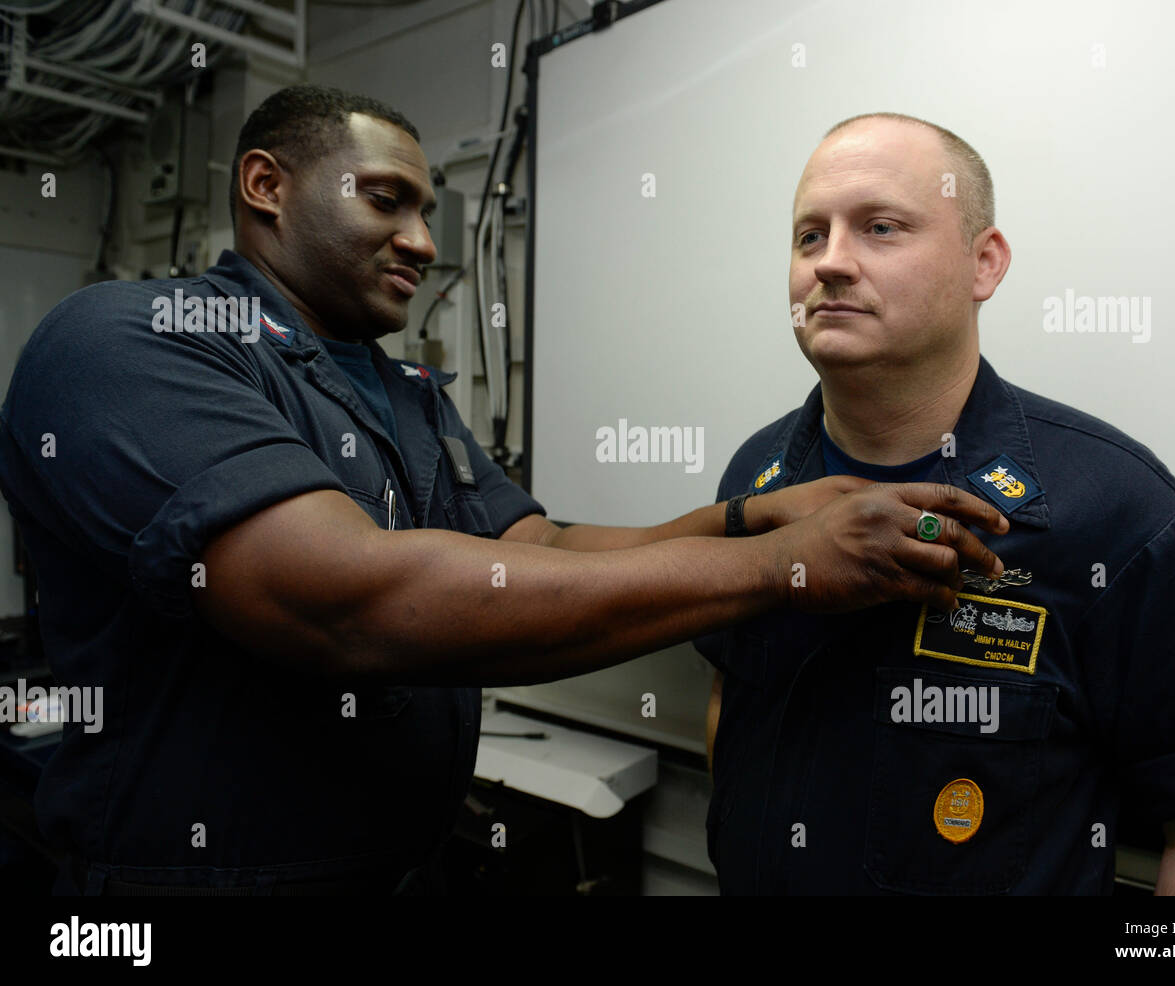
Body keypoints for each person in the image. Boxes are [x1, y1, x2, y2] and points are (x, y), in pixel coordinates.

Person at [0, 87, 1009, 895]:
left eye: (428, 210)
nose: (425, 243)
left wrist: (750, 515)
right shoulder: (134, 341)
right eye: (385, 199)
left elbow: (543, 547)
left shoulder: (399, 390)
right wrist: (785, 564)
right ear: (267, 185)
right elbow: (346, 598)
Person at [699, 112, 1175, 895]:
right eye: (809, 236)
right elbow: (727, 707)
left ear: (984, 264)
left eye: (879, 228)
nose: (830, 263)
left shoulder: (1120, 514)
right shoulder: (757, 480)